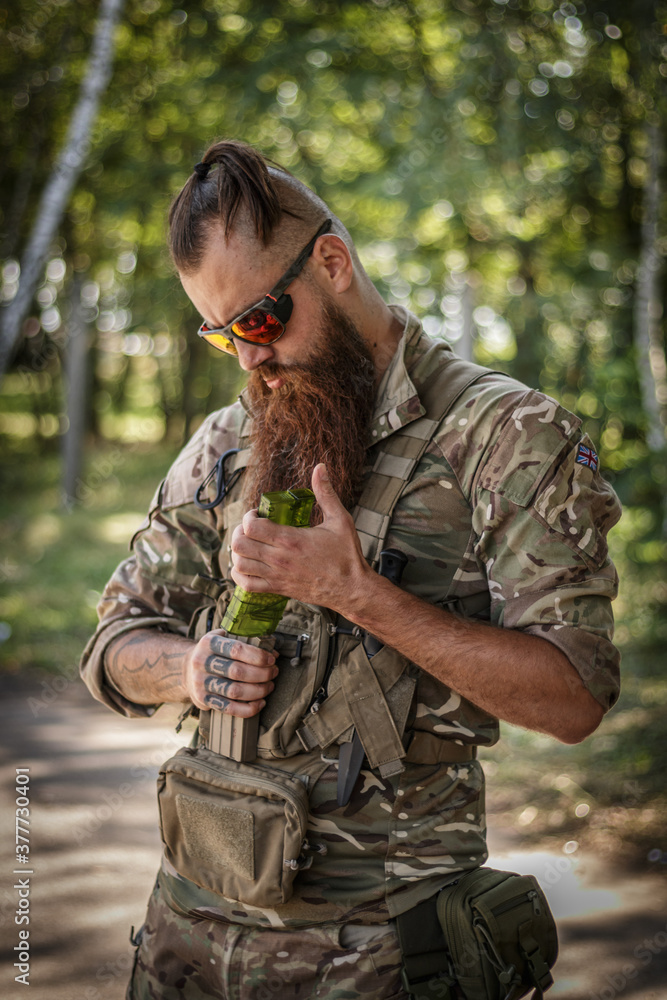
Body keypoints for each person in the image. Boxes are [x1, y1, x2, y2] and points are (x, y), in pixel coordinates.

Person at [80, 140, 621, 1000]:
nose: (248, 358)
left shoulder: (504, 435)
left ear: (330, 263)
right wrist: (189, 667)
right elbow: (112, 645)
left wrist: (355, 593)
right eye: (221, 335)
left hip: (384, 957)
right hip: (186, 944)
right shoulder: (225, 441)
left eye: (260, 320)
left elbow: (572, 698)